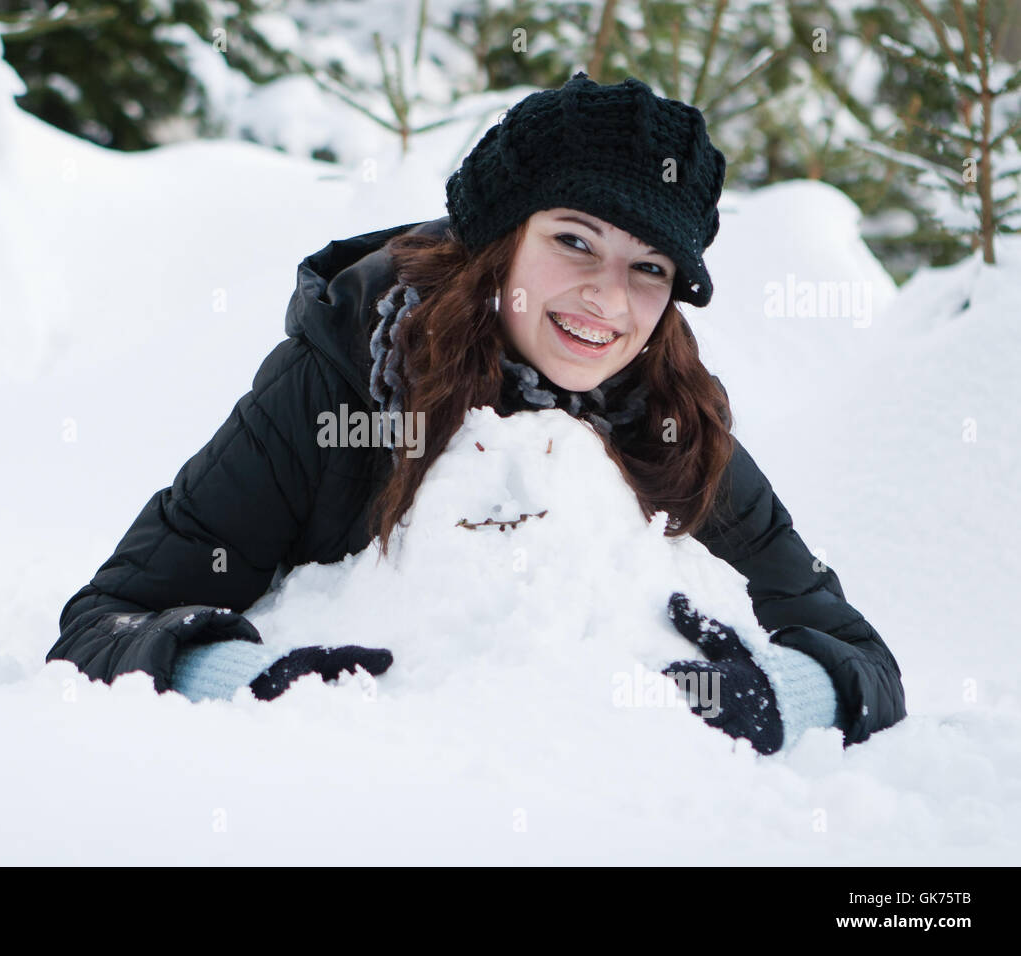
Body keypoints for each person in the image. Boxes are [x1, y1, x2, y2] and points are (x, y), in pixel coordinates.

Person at [46, 73, 907, 755]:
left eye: (649, 269)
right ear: (501, 241)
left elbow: (864, 661)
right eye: (575, 241)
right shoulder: (343, 381)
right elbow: (103, 625)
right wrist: (262, 683)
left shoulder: (669, 422)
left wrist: (768, 698)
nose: (608, 299)